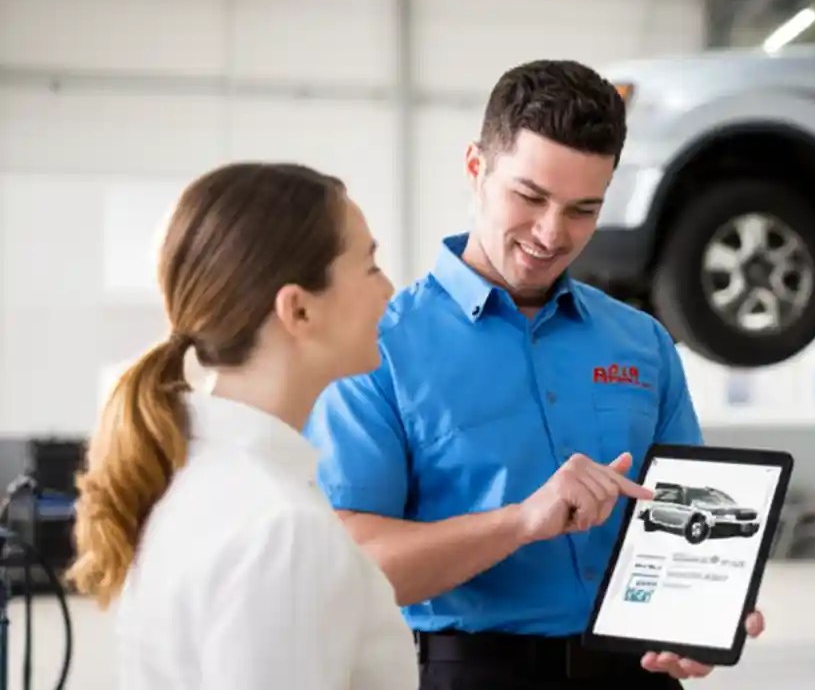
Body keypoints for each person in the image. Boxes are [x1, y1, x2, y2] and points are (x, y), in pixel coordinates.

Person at [305, 59, 764, 690]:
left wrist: (705, 611)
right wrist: (522, 521)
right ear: (476, 168)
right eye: (530, 197)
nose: (552, 234)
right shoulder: (379, 346)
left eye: (583, 209)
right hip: (476, 675)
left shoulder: (643, 343)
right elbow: (353, 566)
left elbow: (682, 522)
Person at [65, 162, 418, 689]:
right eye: (369, 266)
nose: (389, 288)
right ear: (298, 310)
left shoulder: (197, 480)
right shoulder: (282, 528)